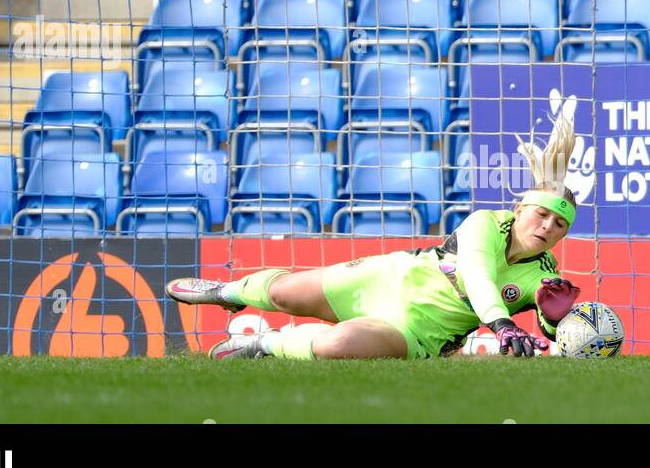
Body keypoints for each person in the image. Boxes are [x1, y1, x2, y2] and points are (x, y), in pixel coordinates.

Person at [167, 89, 585, 360]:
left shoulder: (545, 274)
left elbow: (551, 324)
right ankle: (225, 292)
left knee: (339, 345)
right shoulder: (484, 224)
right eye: (542, 213)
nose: (547, 226)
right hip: (388, 277)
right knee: (284, 292)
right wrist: (503, 323)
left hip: (418, 330)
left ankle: (263, 344)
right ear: (519, 208)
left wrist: (553, 318)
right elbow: (478, 276)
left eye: (559, 225)